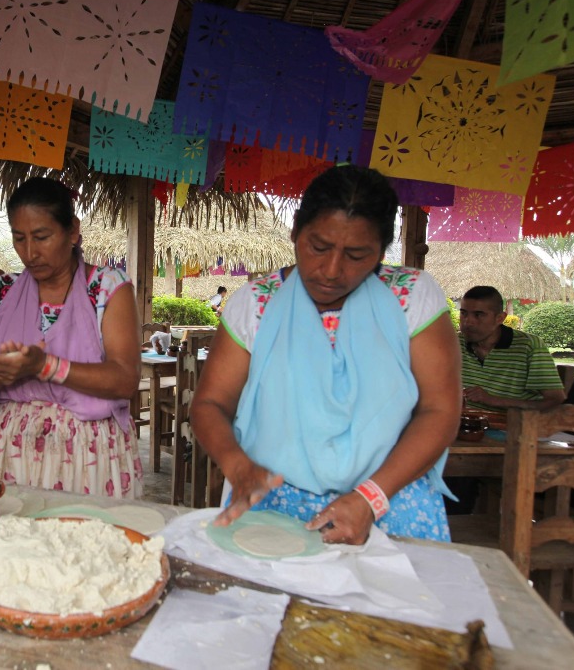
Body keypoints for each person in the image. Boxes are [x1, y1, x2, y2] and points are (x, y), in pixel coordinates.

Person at [191, 164, 461, 545]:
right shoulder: (255, 305)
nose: (332, 270)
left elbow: (440, 410)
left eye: (356, 255)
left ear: (383, 249)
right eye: (318, 247)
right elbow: (210, 403)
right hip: (275, 499)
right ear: (296, 228)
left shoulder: (412, 297)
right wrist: (238, 466)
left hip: (391, 497)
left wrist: (371, 498)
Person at [0, 177, 143, 498]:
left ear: (72, 231)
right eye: (19, 238)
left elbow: (124, 380)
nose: (30, 252)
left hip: (88, 456)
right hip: (12, 453)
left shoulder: (108, 288)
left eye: (41, 237)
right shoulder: (0, 292)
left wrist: (45, 366)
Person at [459, 285, 565, 412]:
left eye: (478, 315)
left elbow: (555, 401)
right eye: (464, 313)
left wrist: (494, 400)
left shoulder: (528, 346)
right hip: (464, 424)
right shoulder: (455, 343)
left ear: (500, 318)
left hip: (514, 427)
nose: (467, 322)